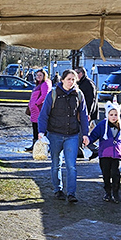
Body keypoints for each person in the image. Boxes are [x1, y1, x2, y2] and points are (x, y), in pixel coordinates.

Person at [38, 69, 90, 203]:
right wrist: (41, 132)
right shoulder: (53, 94)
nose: (71, 82)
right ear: (62, 80)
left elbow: (84, 116)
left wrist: (85, 134)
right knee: (56, 164)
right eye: (69, 79)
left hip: (72, 135)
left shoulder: (78, 95)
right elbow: (44, 115)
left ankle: (71, 193)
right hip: (54, 134)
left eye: (73, 79)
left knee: (71, 165)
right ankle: (58, 190)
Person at [89, 101, 121, 203]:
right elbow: (94, 135)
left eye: (115, 115)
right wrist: (88, 140)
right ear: (107, 115)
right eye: (111, 115)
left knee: (116, 174)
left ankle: (116, 193)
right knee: (106, 174)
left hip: (117, 154)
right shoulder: (102, 125)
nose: (113, 117)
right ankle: (108, 192)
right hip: (104, 154)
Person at [76, 66, 99, 159]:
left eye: (76, 73)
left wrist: (87, 113)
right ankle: (79, 152)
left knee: (82, 133)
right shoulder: (82, 83)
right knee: (80, 132)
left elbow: (91, 100)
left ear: (81, 74)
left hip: (87, 113)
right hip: (82, 112)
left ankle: (94, 149)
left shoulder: (88, 84)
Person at [25, 69, 51, 151]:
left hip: (39, 110)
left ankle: (42, 146)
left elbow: (44, 95)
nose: (38, 77)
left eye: (40, 75)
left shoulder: (44, 84)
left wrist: (36, 103)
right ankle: (35, 145)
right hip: (34, 111)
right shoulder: (38, 85)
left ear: (44, 76)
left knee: (40, 128)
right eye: (37, 75)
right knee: (35, 127)